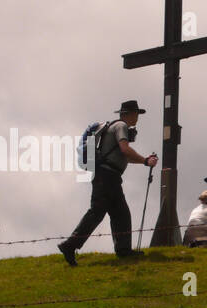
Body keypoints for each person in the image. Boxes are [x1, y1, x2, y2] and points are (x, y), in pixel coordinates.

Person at [58, 100, 158, 265]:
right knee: (97, 213)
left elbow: (123, 155)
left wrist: (143, 160)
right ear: (129, 114)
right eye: (136, 113)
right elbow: (125, 150)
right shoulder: (121, 127)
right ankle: (70, 245)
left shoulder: (112, 127)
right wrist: (146, 161)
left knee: (120, 214)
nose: (137, 117)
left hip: (108, 176)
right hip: (107, 177)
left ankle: (123, 251)